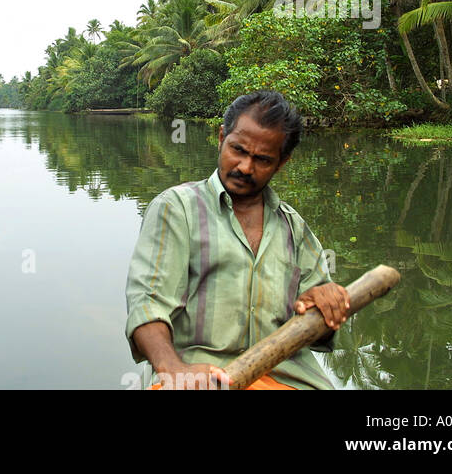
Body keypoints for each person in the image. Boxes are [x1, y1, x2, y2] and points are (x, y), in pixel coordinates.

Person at [124, 90, 349, 390]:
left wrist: (325, 306)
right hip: (199, 378)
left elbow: (321, 329)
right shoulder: (177, 208)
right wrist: (172, 368)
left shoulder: (294, 228)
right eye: (238, 150)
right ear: (221, 138)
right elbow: (148, 303)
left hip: (288, 380)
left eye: (262, 159)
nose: (245, 167)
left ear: (281, 163)